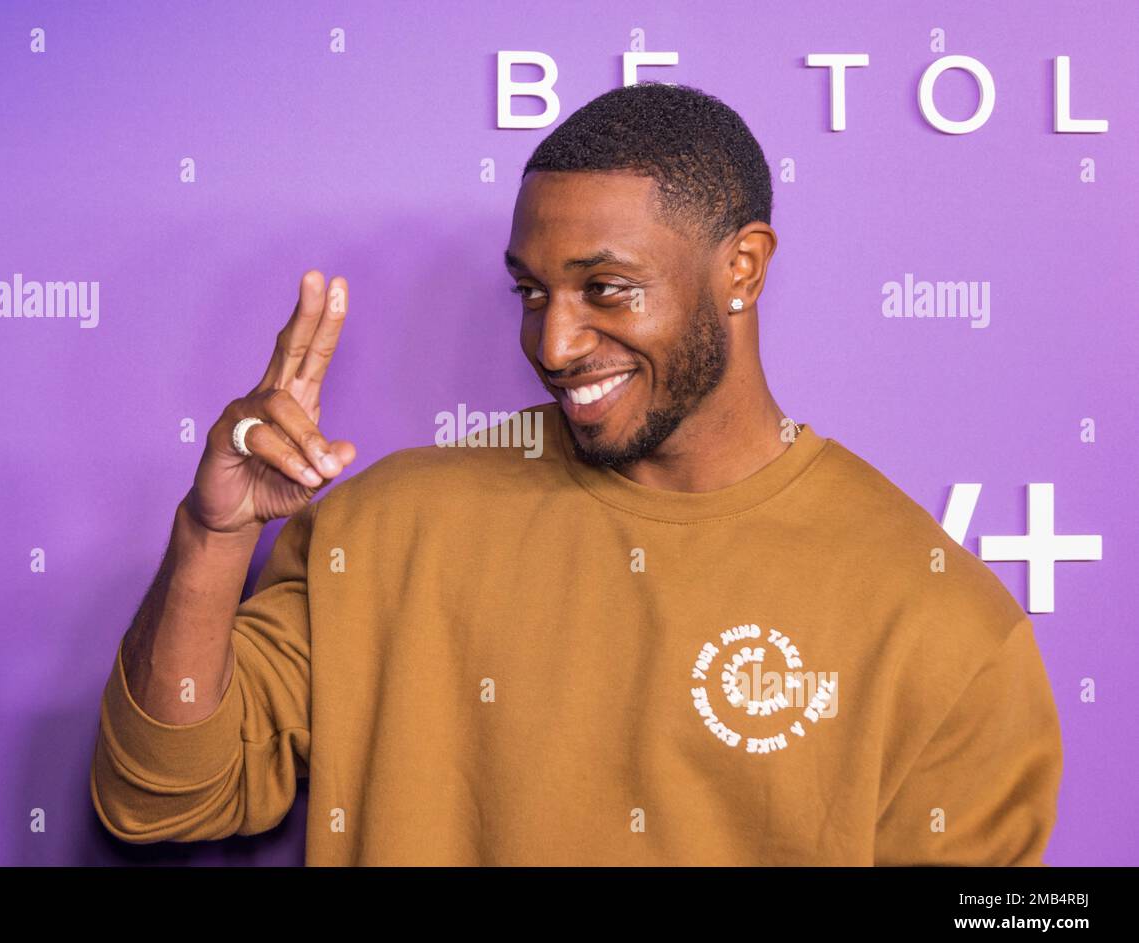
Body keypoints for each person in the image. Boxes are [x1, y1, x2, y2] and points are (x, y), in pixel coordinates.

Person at [89, 82, 1063, 865]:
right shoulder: (383, 530)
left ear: (743, 269)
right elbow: (158, 799)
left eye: (606, 289)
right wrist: (213, 537)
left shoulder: (941, 626)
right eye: (531, 291)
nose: (552, 343)